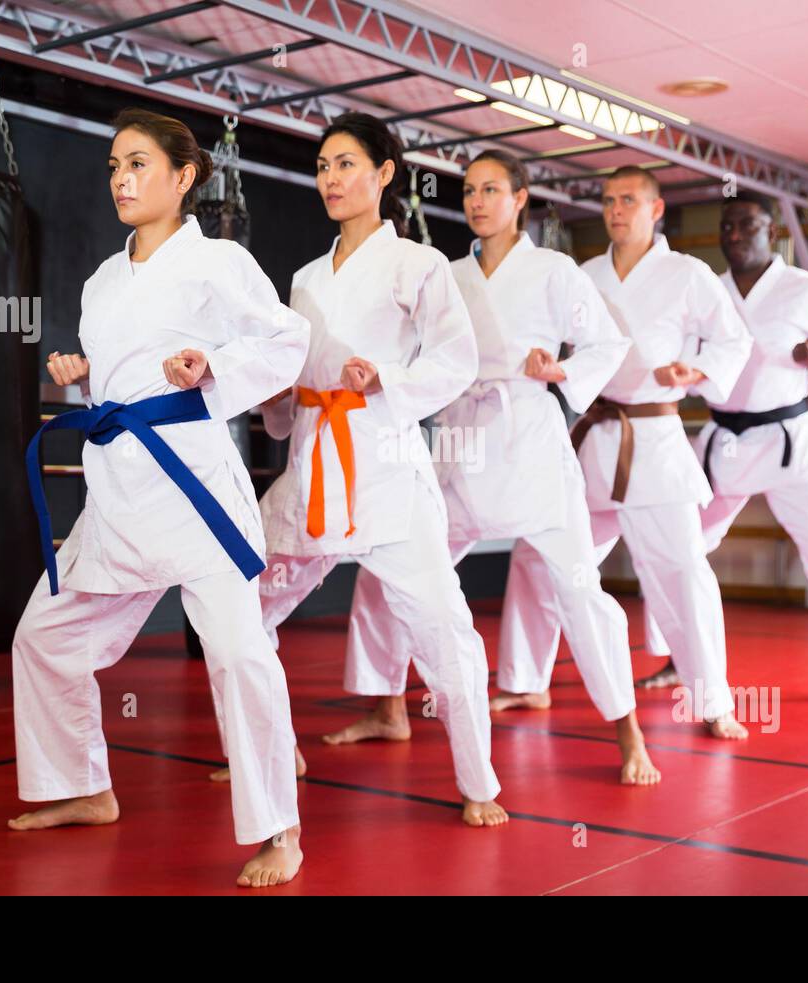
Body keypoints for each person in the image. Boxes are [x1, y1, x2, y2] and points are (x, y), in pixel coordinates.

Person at [9, 108, 309, 889]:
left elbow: (285, 342)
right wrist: (75, 374)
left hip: (193, 486)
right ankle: (83, 787)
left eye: (137, 164)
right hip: (118, 493)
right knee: (43, 637)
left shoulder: (220, 263)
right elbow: (117, 374)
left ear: (183, 178)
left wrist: (209, 365)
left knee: (241, 655)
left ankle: (281, 829)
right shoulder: (102, 280)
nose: (120, 179)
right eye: (113, 166)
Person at [339, 150, 661, 784]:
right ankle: (385, 706)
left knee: (578, 587)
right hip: (459, 440)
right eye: (468, 191)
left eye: (492, 190)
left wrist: (561, 370)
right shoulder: (446, 272)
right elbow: (415, 350)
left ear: (521, 197)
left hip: (529, 436)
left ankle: (629, 733)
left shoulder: (552, 269)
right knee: (389, 573)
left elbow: (607, 343)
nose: (477, 201)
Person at [255, 112, 508, 826]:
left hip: (387, 469)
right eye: (323, 167)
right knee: (242, 614)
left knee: (442, 628)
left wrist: (386, 380)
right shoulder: (304, 278)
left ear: (385, 174)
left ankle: (479, 781)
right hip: (313, 466)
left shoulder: (418, 263)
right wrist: (278, 398)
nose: (330, 179)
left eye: (345, 164)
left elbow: (456, 360)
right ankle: (269, 753)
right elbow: (293, 377)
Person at [497, 165, 755, 739]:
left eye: (629, 200)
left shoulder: (687, 274)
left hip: (655, 436)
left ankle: (713, 700)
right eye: (609, 200)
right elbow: (556, 340)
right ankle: (525, 679)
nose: (617, 210)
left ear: (655, 209)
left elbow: (734, 339)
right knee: (538, 554)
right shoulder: (583, 273)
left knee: (683, 569)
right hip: (595, 436)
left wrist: (699, 369)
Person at [678, 191, 808, 708]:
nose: (734, 234)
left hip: (790, 440)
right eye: (727, 225)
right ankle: (675, 657)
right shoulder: (707, 292)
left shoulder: (804, 289)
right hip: (724, 439)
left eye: (746, 224)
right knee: (679, 548)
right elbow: (681, 355)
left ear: (771, 232)